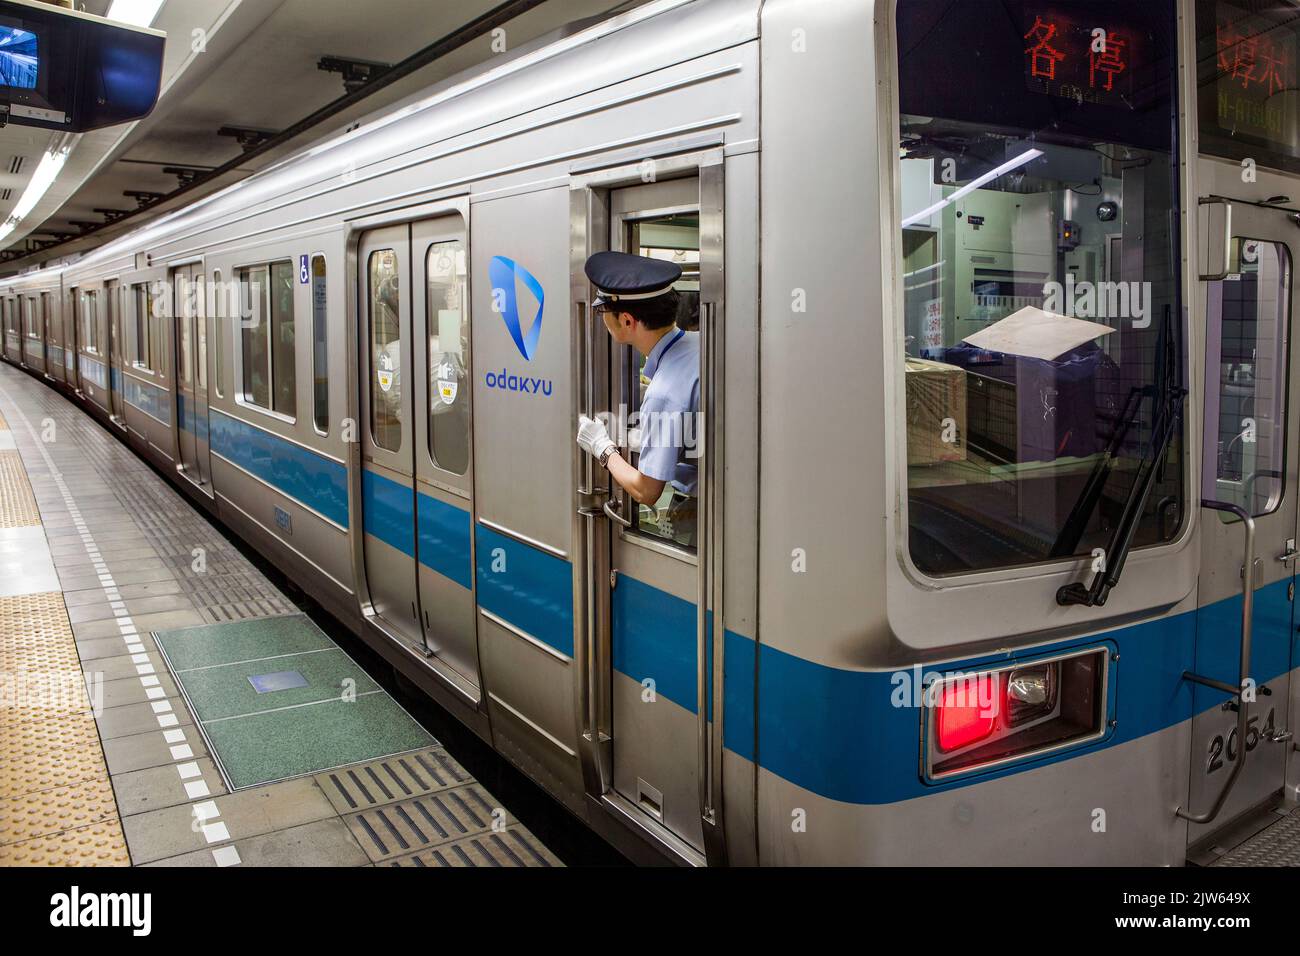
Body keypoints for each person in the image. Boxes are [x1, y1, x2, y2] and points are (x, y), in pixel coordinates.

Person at [576, 251, 700, 546]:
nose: (602, 318)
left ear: (627, 321)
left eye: (602, 311)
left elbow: (647, 491)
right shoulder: (700, 343)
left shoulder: (664, 393)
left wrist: (602, 448)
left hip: (695, 513)